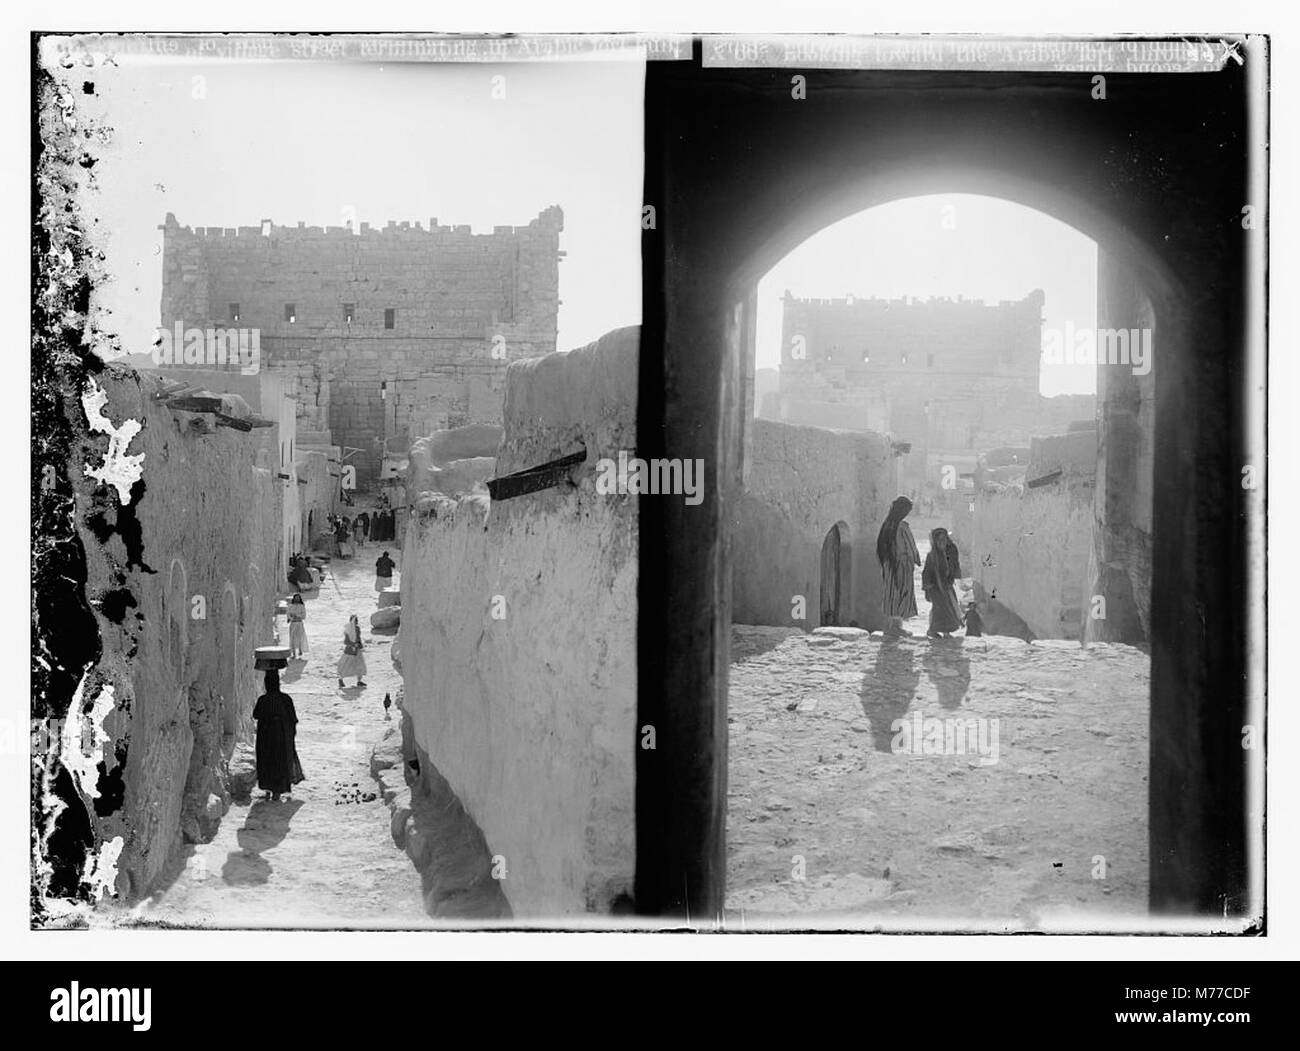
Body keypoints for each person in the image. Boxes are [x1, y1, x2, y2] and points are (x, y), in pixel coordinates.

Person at [253, 669, 304, 802]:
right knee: (280, 762)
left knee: (266, 762)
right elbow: (293, 718)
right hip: (282, 737)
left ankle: (268, 789)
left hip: (265, 738)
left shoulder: (263, 699)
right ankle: (277, 790)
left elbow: (256, 714)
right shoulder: (286, 699)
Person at [876, 496, 921, 636]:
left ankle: (894, 626)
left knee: (894, 593)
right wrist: (913, 560)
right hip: (899, 565)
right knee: (898, 593)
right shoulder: (899, 526)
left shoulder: (889, 525)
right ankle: (894, 627)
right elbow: (908, 546)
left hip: (893, 565)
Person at [922, 527, 964, 639]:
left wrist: (952, 577)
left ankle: (944, 632)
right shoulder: (932, 556)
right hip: (935, 588)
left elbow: (953, 567)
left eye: (944, 539)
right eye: (939, 540)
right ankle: (934, 630)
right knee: (940, 610)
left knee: (948, 609)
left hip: (946, 587)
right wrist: (928, 586)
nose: (942, 542)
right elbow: (926, 572)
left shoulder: (949, 554)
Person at [337, 614, 366, 688]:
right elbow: (346, 641)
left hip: (357, 650)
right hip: (350, 651)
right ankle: (340, 680)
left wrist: (360, 645)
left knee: (359, 665)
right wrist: (353, 645)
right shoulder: (348, 629)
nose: (356, 622)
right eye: (355, 620)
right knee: (346, 666)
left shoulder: (357, 629)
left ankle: (359, 681)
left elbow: (358, 638)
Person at [287, 593, 309, 658]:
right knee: (292, 638)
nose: (297, 599)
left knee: (300, 637)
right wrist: (292, 618)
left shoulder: (302, 606)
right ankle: (293, 653)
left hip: (299, 624)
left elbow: (304, 615)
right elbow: (288, 614)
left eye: (298, 598)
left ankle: (300, 650)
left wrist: (297, 616)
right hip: (293, 624)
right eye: (296, 598)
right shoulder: (290, 606)